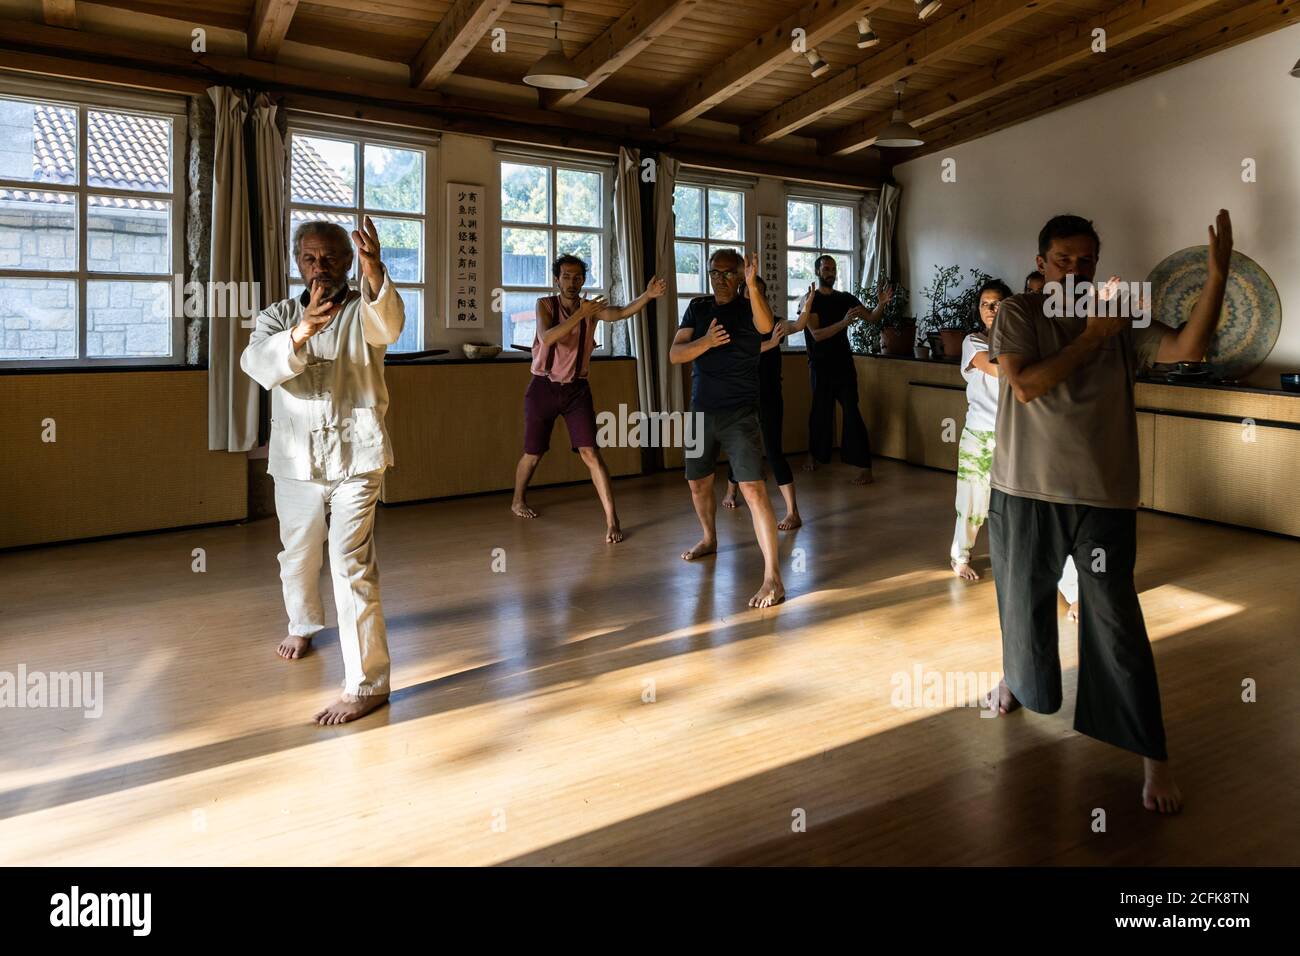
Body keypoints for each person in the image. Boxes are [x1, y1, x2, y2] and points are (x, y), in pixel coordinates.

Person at [986, 210, 1233, 814]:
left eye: (1087, 261)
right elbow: (1025, 385)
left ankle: (1153, 755)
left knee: (1117, 623)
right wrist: (1093, 336)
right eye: (1064, 259)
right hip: (1025, 491)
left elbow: (1187, 347)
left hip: (1105, 496)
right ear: (1042, 262)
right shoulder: (1021, 312)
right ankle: (1018, 678)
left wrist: (1218, 274)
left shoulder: (1120, 317)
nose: (1076, 270)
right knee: (1022, 604)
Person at [240, 217, 404, 726]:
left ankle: (366, 683)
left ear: (348, 261)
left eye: (331, 258)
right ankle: (303, 622)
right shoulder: (277, 316)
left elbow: (390, 325)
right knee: (300, 551)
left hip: (358, 454)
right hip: (296, 458)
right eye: (310, 258)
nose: (320, 268)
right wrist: (301, 331)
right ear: (297, 262)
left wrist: (376, 273)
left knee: (348, 559)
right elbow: (256, 364)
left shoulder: (364, 309)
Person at [511, 254, 666, 542]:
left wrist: (648, 294)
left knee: (591, 453)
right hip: (542, 387)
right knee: (533, 454)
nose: (572, 282)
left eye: (577, 277)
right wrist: (581, 314)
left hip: (576, 390)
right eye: (566, 277)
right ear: (556, 280)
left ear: (584, 280)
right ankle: (518, 499)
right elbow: (547, 338)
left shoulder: (591, 309)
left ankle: (612, 520)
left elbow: (620, 313)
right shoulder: (544, 305)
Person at [949, 277, 1079, 619]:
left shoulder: (1023, 340)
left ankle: (1073, 592)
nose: (990, 310)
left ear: (1009, 307)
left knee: (1042, 513)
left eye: (997, 304)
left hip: (1019, 437)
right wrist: (1029, 370)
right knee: (974, 505)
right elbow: (995, 369)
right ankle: (961, 556)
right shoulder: (972, 341)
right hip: (980, 435)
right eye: (984, 304)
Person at [670, 249, 784, 608]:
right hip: (701, 410)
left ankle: (773, 578)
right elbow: (675, 353)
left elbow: (766, 327)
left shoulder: (750, 304)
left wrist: (752, 286)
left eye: (727, 273)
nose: (719, 279)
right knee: (698, 483)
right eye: (713, 273)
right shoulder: (698, 308)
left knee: (752, 489)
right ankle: (709, 538)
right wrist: (706, 342)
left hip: (740, 414)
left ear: (738, 275)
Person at [720, 276, 804, 531]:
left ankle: (793, 512)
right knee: (740, 447)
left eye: (759, 292)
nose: (753, 296)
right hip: (743, 395)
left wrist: (806, 306)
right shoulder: (736, 323)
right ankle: (731, 492)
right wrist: (772, 344)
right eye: (748, 291)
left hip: (768, 395)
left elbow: (799, 325)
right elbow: (742, 352)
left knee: (773, 449)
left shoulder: (774, 322)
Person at [800, 256, 889, 484]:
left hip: (843, 366)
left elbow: (871, 317)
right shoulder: (810, 300)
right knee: (820, 412)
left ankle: (864, 466)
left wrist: (881, 303)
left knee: (851, 411)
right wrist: (843, 323)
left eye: (833, 268)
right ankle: (814, 454)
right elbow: (817, 335)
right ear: (818, 271)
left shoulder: (845, 298)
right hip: (820, 366)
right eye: (826, 268)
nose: (830, 272)